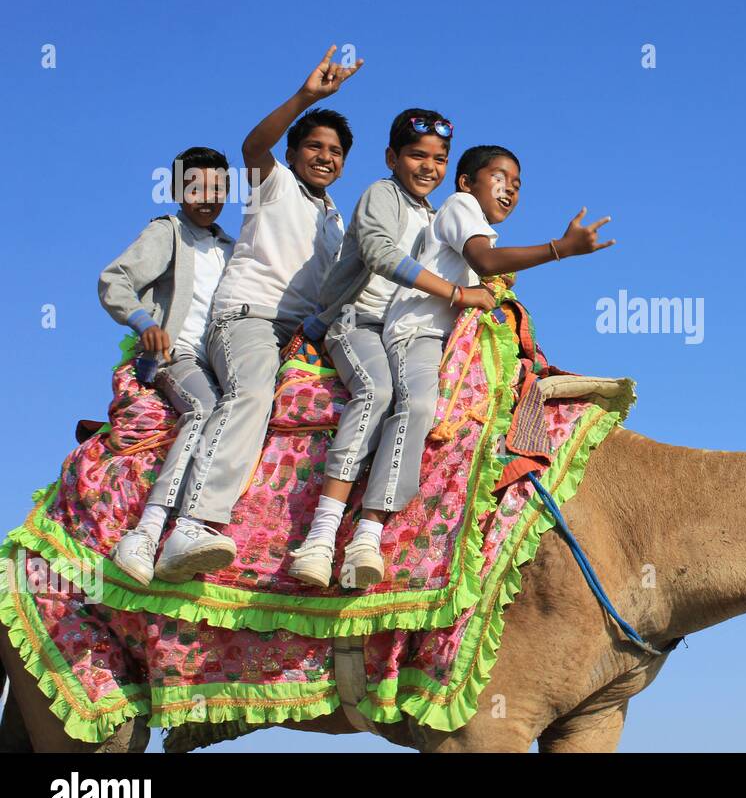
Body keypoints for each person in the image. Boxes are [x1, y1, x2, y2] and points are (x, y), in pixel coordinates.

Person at [340, 145, 613, 589]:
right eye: (500, 178)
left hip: (451, 345)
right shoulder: (459, 208)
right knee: (420, 406)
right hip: (419, 332)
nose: (510, 190)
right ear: (466, 182)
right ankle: (367, 532)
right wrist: (559, 249)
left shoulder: (477, 228)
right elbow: (484, 261)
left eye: (518, 185)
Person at [164, 47, 359, 582]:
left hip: (301, 336)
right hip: (248, 319)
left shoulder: (336, 220)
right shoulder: (274, 185)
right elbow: (253, 144)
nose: (326, 156)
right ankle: (193, 522)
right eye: (314, 146)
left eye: (337, 151)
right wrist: (306, 98)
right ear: (293, 151)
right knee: (248, 394)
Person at [286, 111, 494, 587]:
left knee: (420, 403)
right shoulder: (382, 195)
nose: (428, 167)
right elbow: (379, 253)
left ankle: (369, 532)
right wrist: (457, 293)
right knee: (376, 391)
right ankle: (320, 536)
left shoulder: (438, 217)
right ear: (391, 158)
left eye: (438, 159)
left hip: (405, 333)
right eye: (417, 155)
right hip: (357, 320)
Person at [100, 148, 236, 585]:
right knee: (205, 408)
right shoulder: (168, 233)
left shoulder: (231, 249)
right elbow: (114, 279)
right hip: (175, 354)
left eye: (217, 187)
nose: (206, 196)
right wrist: (144, 322)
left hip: (220, 360)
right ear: (178, 191)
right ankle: (148, 531)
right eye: (195, 187)